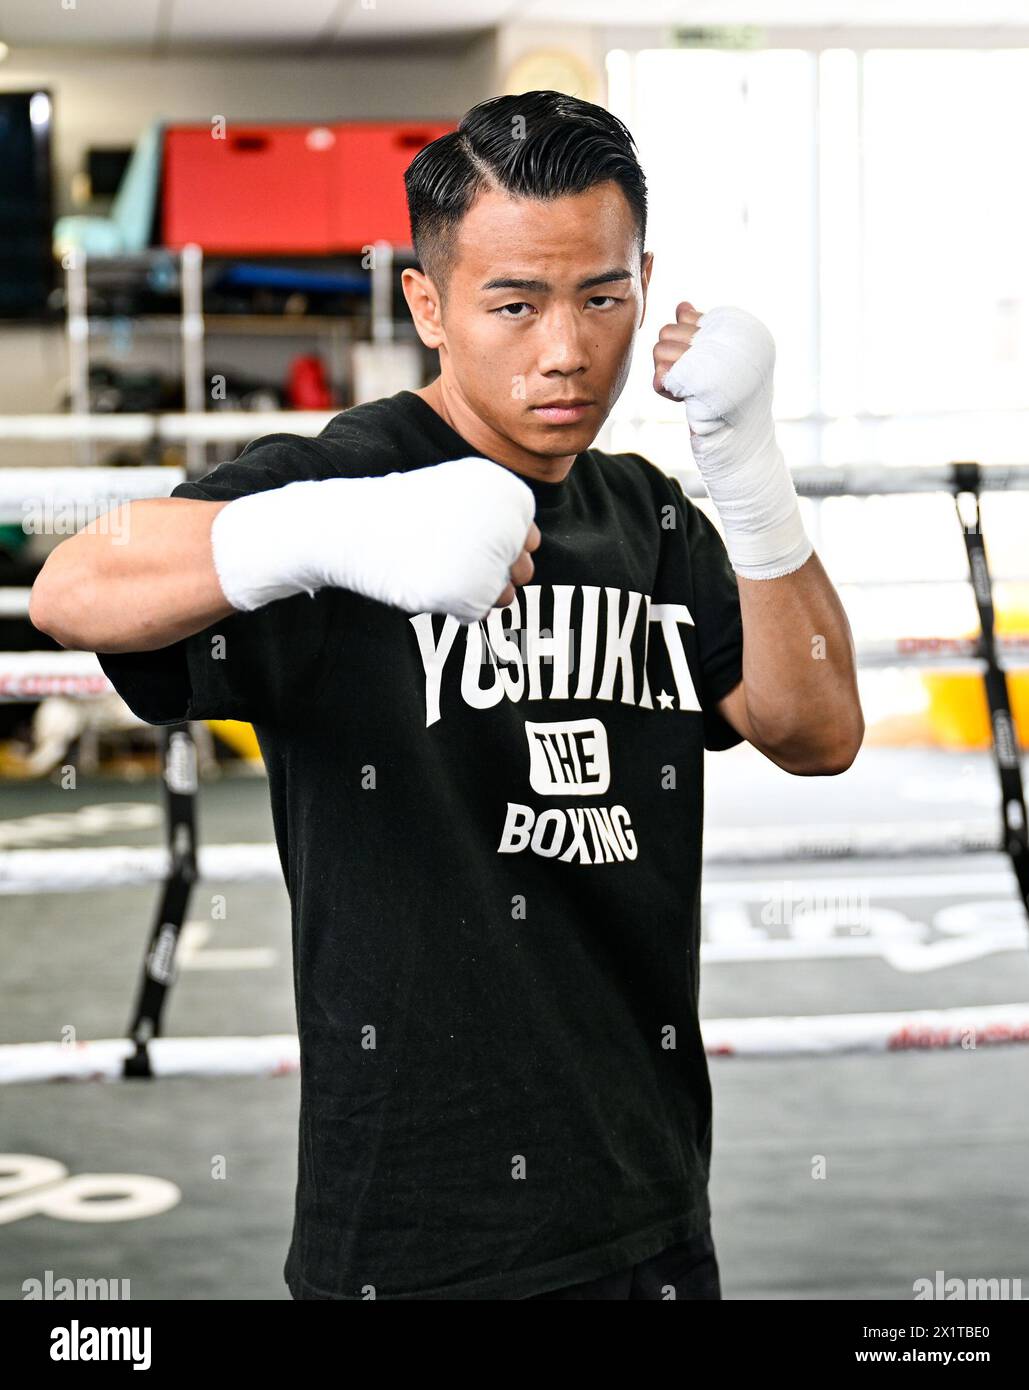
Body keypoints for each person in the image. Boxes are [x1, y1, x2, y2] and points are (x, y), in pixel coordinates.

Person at [29, 90, 864, 1300]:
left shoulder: (649, 514)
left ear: (645, 281)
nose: (566, 351)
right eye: (512, 305)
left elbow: (819, 728)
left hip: (650, 1203)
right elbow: (73, 587)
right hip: (416, 1235)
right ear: (426, 304)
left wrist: (750, 471)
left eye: (602, 296)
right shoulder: (344, 479)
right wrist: (327, 530)